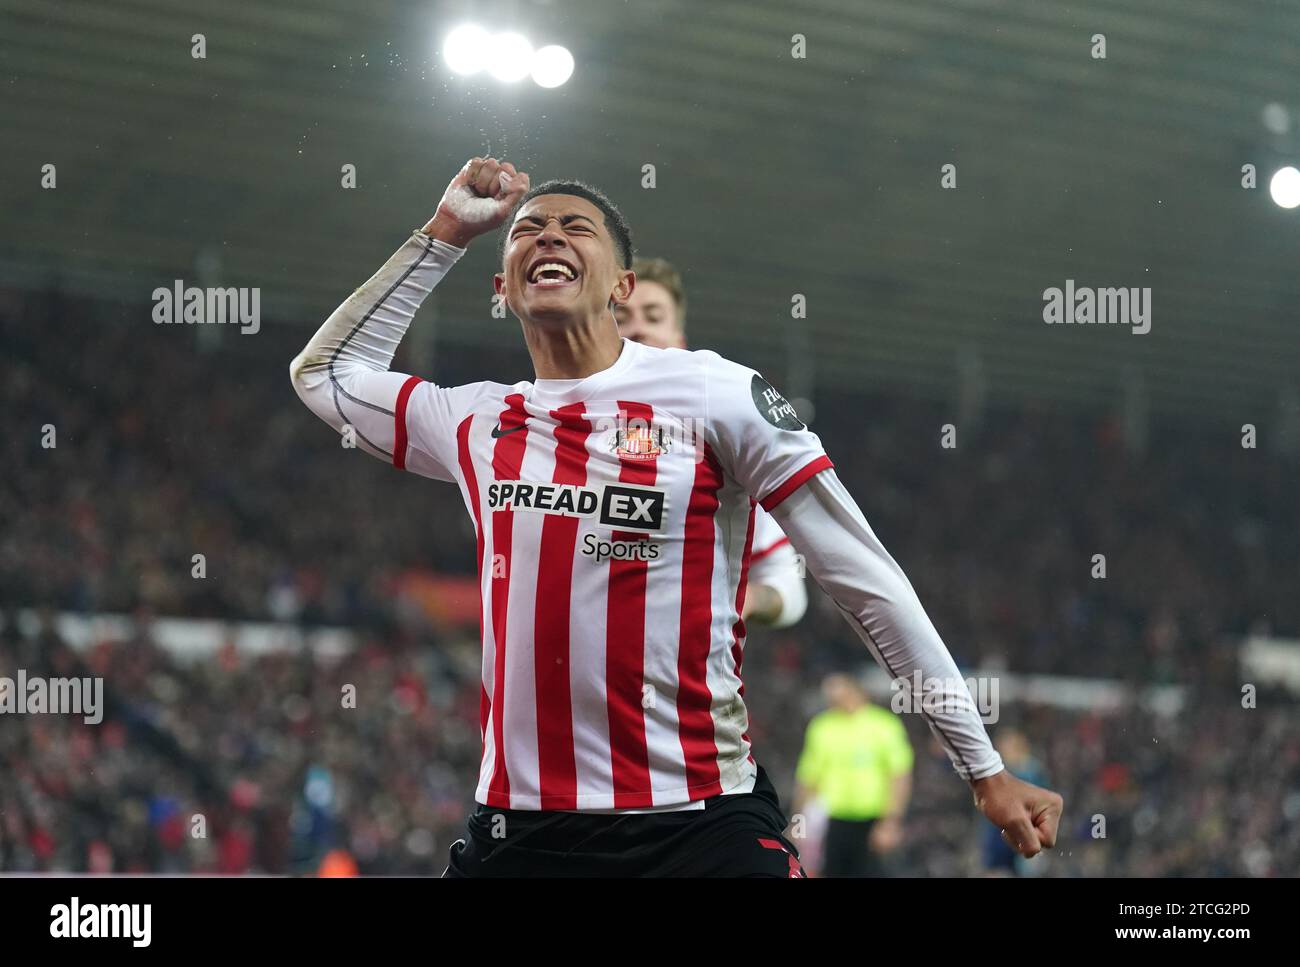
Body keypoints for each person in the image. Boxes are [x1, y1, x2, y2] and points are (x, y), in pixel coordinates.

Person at [289, 156, 1063, 877]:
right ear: (503, 286)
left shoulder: (715, 395)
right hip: (520, 833)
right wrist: (445, 235)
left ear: (622, 287)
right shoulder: (475, 421)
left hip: (700, 828)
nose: (548, 234)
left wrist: (983, 768)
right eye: (528, 228)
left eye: (575, 227)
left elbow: (864, 579)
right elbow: (325, 374)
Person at [613, 256, 806, 629]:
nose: (637, 330)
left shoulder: (723, 440)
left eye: (653, 317)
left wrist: (747, 599)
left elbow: (788, 586)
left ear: (680, 342)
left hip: (685, 678)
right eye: (621, 319)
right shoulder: (558, 422)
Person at [792, 673, 912, 876]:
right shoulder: (822, 727)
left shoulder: (884, 725)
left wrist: (891, 821)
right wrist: (798, 823)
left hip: (873, 820)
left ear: (857, 691)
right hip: (833, 820)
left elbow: (899, 776)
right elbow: (808, 778)